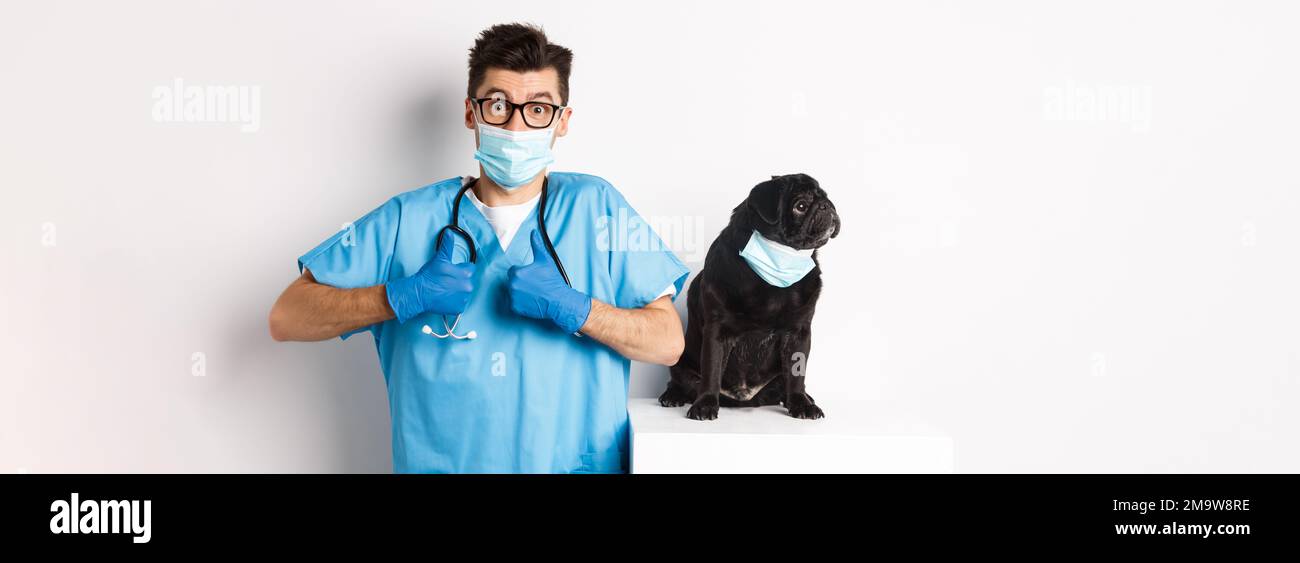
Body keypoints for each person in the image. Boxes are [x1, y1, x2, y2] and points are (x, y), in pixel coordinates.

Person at [268, 23, 689, 473]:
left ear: (562, 121)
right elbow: (286, 317)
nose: (515, 124)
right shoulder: (406, 218)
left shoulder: (597, 207)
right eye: (498, 104)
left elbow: (668, 343)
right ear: (472, 113)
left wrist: (577, 309)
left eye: (538, 109)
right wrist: (400, 296)